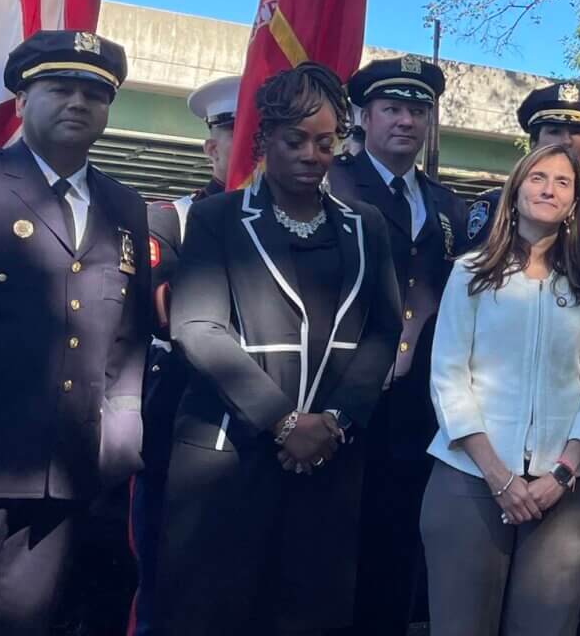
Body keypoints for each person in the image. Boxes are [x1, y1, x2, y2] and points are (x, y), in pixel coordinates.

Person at [157, 63, 401, 635]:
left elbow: (383, 333)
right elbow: (196, 325)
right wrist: (285, 422)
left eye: (325, 142)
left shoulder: (366, 226)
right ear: (265, 140)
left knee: (309, 613)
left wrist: (333, 422)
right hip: (225, 457)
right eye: (295, 140)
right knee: (211, 614)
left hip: (329, 463)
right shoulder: (219, 217)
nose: (311, 155)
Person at [421, 142, 580, 636]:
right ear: (516, 189)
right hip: (470, 478)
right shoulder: (470, 272)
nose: (549, 189)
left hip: (564, 489)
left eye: (563, 182)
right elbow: (448, 376)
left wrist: (564, 472)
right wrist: (499, 478)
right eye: (538, 178)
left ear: (574, 203)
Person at [0, 30, 151, 636]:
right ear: (22, 99)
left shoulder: (125, 206)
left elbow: (128, 336)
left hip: (66, 467)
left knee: (29, 623)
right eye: (60, 88)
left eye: (94, 94)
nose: (78, 104)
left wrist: (121, 431)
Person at [329, 55, 470, 636]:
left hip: (417, 407)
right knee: (333, 553)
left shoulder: (447, 206)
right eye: (392, 108)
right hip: (341, 398)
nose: (406, 121)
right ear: (364, 115)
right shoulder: (332, 182)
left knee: (398, 552)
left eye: (418, 110)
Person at [130, 74, 240, 636]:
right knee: (166, 583)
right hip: (180, 423)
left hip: (263, 436)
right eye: (235, 131)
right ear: (210, 146)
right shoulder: (169, 218)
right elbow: (171, 316)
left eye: (261, 133)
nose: (249, 146)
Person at [467, 81, 580, 263]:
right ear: (533, 143)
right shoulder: (493, 207)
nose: (566, 141)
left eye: (576, 132)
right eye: (555, 131)